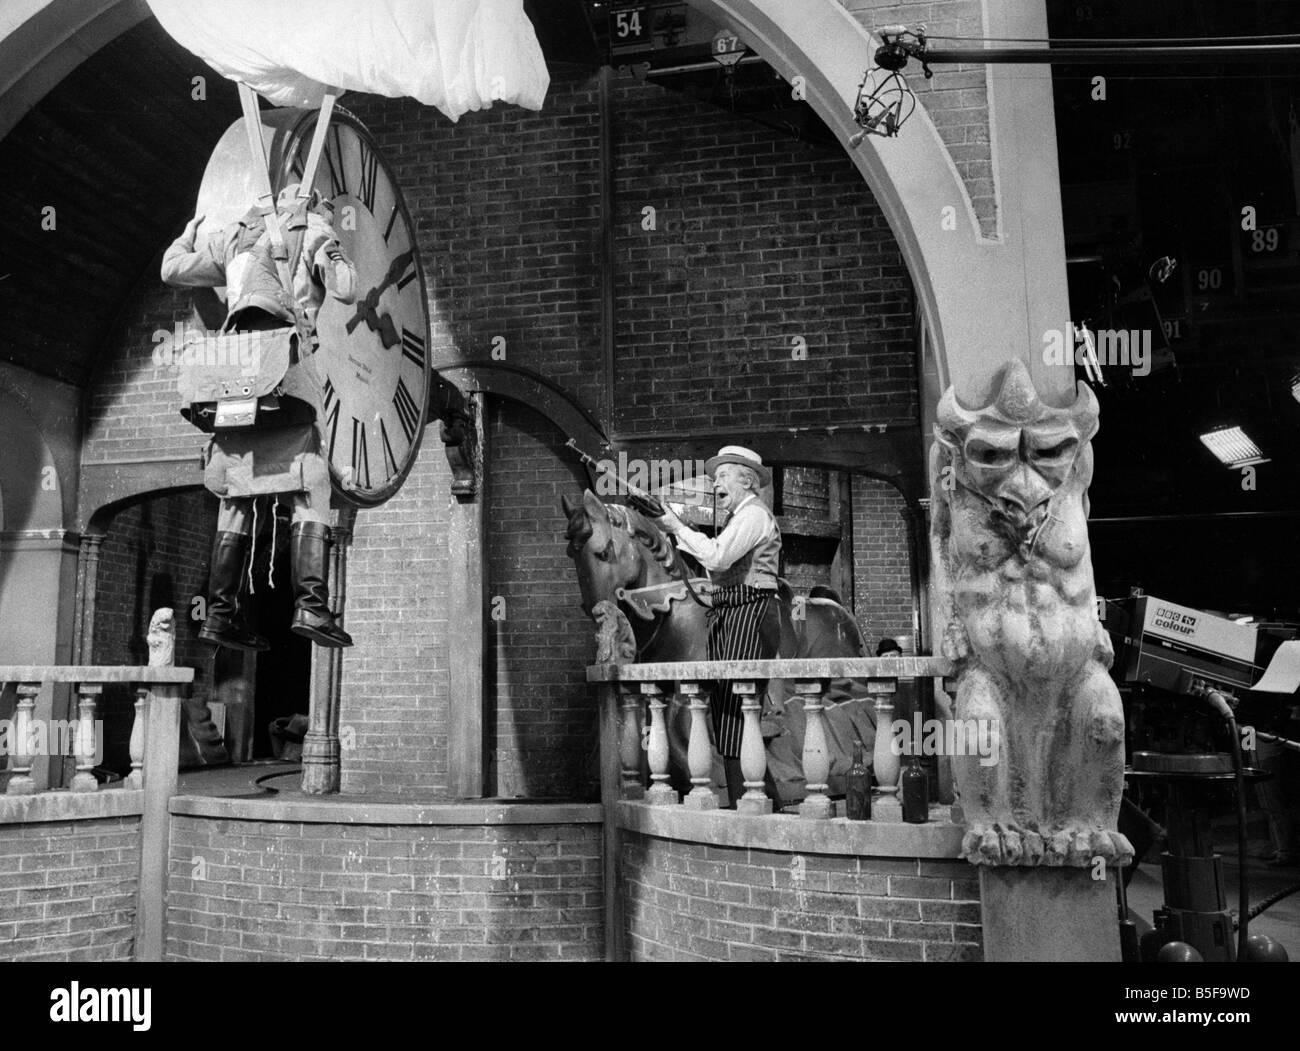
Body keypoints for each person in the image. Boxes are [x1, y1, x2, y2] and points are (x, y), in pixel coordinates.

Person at [161, 183, 357, 650]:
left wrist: (188, 234)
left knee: (236, 496)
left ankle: (220, 615)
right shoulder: (311, 228)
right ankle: (310, 604)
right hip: (286, 371)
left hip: (234, 375)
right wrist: (335, 250)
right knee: (311, 485)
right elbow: (347, 289)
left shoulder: (232, 236)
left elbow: (171, 269)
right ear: (309, 201)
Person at [655, 446, 781, 806]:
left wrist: (678, 526)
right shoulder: (739, 517)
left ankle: (757, 803)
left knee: (740, 712)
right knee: (730, 714)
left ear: (747, 480)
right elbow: (718, 565)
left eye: (724, 475)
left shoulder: (753, 515)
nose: (716, 483)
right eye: (715, 478)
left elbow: (717, 556)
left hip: (750, 612)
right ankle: (752, 801)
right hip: (733, 612)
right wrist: (678, 530)